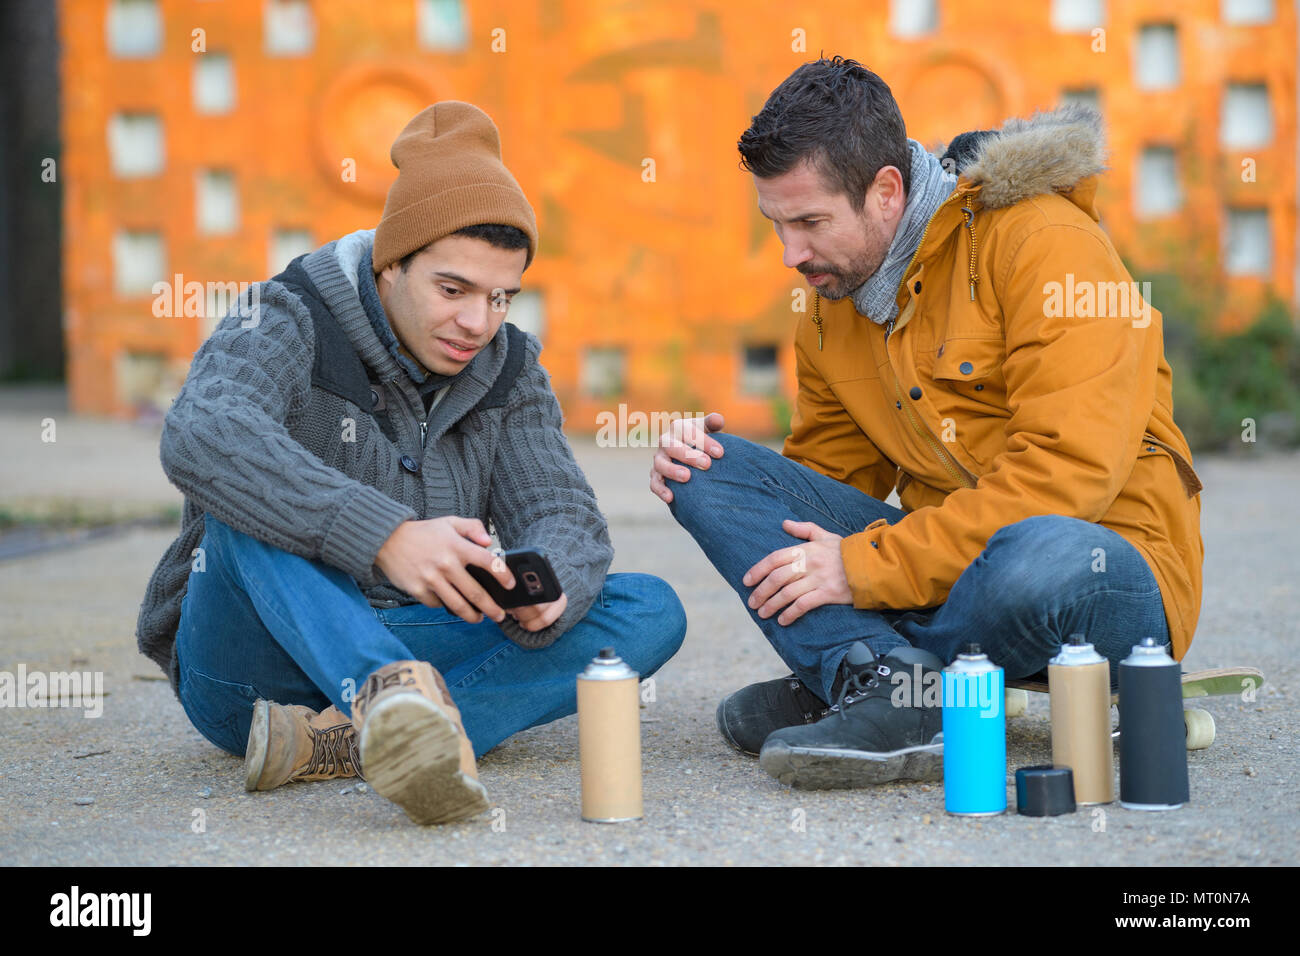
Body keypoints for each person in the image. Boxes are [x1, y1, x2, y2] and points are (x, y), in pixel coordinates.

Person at [649, 57, 1203, 790]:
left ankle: (876, 679)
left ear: (885, 191)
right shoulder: (830, 303)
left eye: (810, 222)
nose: (791, 255)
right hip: (948, 568)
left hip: (1103, 570)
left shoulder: (1043, 242)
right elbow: (823, 494)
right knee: (706, 469)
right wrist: (729, 472)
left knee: (1036, 555)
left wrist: (865, 567)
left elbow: (1067, 480)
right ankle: (881, 678)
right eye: (776, 224)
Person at [136, 101, 686, 824]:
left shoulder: (510, 369)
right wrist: (386, 537)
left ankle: (338, 743)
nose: (477, 323)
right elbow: (202, 432)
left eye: (500, 298)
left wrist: (550, 577)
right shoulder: (285, 315)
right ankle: (388, 703)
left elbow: (562, 512)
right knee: (243, 516)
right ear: (390, 263)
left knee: (646, 610)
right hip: (250, 669)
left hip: (411, 636)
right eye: (452, 290)